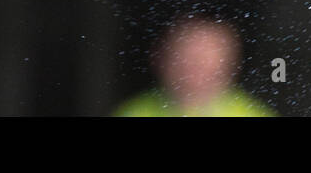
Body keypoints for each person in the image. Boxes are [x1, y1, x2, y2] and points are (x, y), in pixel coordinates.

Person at [114, 17, 274, 117]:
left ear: (233, 63)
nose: (194, 71)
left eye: (206, 60)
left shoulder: (254, 114)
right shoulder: (133, 112)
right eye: (185, 58)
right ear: (159, 58)